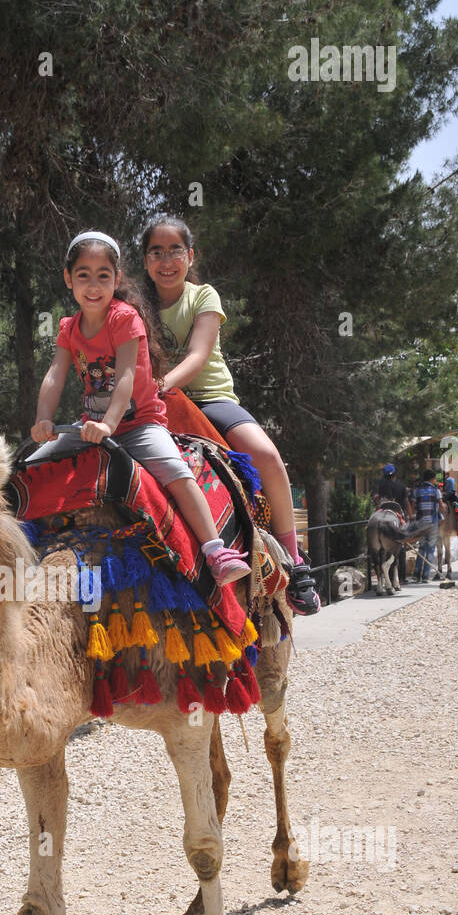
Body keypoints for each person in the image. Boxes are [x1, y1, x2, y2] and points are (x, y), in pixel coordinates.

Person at [28, 230, 250, 586]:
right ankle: (20, 541)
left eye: (103, 275)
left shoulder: (124, 317)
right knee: (34, 464)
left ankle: (215, 549)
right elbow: (56, 374)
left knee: (174, 471)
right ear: (68, 278)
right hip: (93, 425)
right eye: (83, 275)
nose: (93, 285)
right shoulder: (69, 327)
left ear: (116, 280)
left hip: (139, 423)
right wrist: (43, 419)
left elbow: (126, 376)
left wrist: (109, 424)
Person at [139, 215, 319, 615]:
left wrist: (159, 385)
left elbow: (199, 355)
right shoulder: (136, 305)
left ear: (190, 256)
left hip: (207, 398)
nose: (166, 260)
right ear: (146, 260)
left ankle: (293, 558)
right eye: (156, 252)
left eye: (175, 251)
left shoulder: (203, 296)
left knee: (267, 455)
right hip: (153, 404)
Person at [374, 463, 413, 584]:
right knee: (401, 546)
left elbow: (378, 500)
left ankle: (386, 577)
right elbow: (406, 502)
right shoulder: (401, 486)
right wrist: (410, 516)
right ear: (395, 474)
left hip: (383, 512)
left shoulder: (381, 485)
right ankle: (401, 577)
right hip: (398, 514)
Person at [411, 468, 445, 582]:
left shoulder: (417, 490)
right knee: (430, 549)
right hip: (432, 523)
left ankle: (416, 575)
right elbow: (441, 506)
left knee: (421, 548)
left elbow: (413, 506)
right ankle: (425, 576)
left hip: (421, 524)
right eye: (434, 478)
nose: (435, 480)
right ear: (431, 479)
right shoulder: (436, 490)